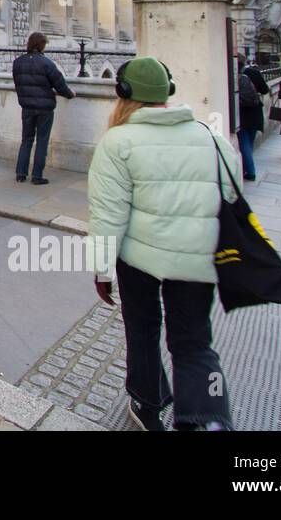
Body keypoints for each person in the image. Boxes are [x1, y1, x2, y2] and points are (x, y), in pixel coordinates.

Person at [87, 56, 237, 432]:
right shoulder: (210, 136)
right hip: (198, 259)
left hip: (139, 260)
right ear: (167, 92)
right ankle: (207, 421)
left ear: (123, 94)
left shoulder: (118, 141)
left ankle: (146, 404)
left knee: (143, 330)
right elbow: (232, 196)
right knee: (194, 343)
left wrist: (102, 268)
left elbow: (109, 214)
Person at [11, 32, 76, 186]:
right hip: (44, 108)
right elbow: (59, 84)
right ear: (41, 45)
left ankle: (21, 174)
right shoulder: (47, 63)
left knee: (26, 140)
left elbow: (18, 84)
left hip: (27, 107)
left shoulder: (18, 62)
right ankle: (37, 176)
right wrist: (70, 94)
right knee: (42, 140)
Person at [235, 54, 269, 182]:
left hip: (240, 111)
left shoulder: (229, 72)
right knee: (249, 141)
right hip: (255, 111)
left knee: (244, 143)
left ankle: (250, 171)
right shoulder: (254, 73)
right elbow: (265, 90)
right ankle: (246, 168)